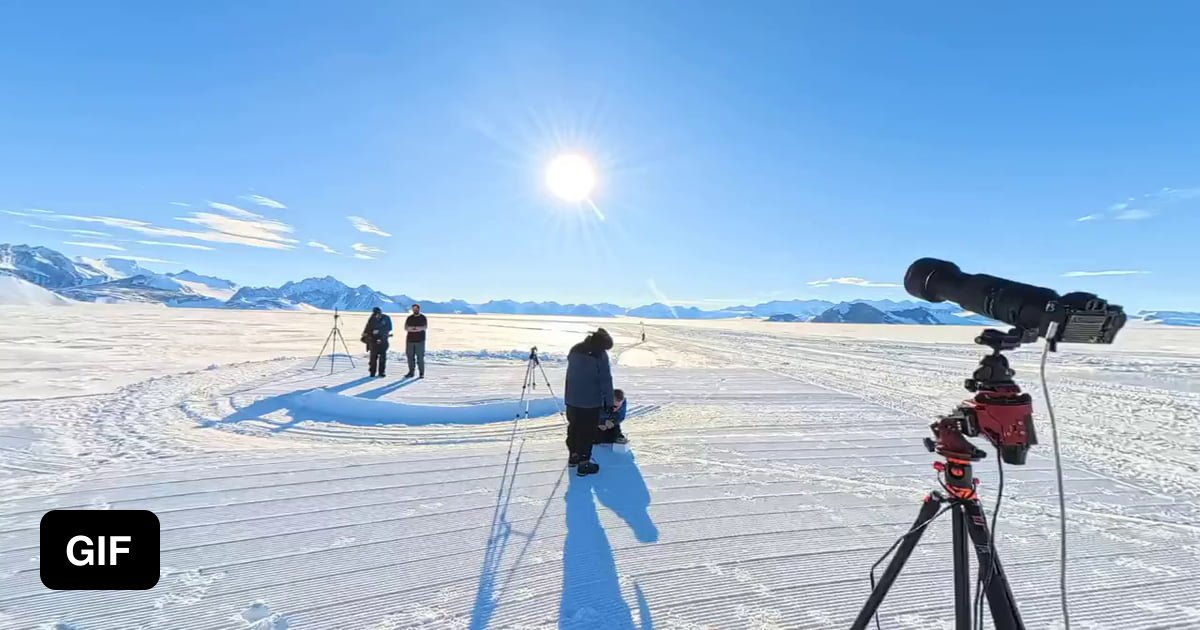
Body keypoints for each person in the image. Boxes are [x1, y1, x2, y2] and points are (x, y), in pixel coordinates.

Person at [564, 328, 615, 476]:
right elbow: (605, 380)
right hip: (590, 401)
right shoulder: (600, 355)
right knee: (586, 432)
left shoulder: (576, 349)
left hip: (572, 399)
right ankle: (584, 463)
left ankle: (573, 456)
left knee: (573, 427)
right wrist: (609, 402)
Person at [361, 307, 393, 378]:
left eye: (378, 313)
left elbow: (389, 328)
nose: (377, 315)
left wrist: (379, 331)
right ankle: (372, 371)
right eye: (375, 314)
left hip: (383, 339)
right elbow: (367, 328)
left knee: (382, 357)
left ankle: (381, 372)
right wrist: (367, 334)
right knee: (373, 357)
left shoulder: (386, 318)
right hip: (373, 340)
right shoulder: (372, 318)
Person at [403, 303, 428, 379]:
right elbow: (406, 328)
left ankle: (421, 373)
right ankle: (411, 372)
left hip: (420, 341)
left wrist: (414, 329)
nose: (415, 310)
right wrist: (416, 329)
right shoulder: (409, 318)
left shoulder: (423, 317)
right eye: (413, 309)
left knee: (420, 357)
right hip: (410, 340)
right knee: (410, 357)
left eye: (416, 308)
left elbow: (424, 327)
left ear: (419, 309)